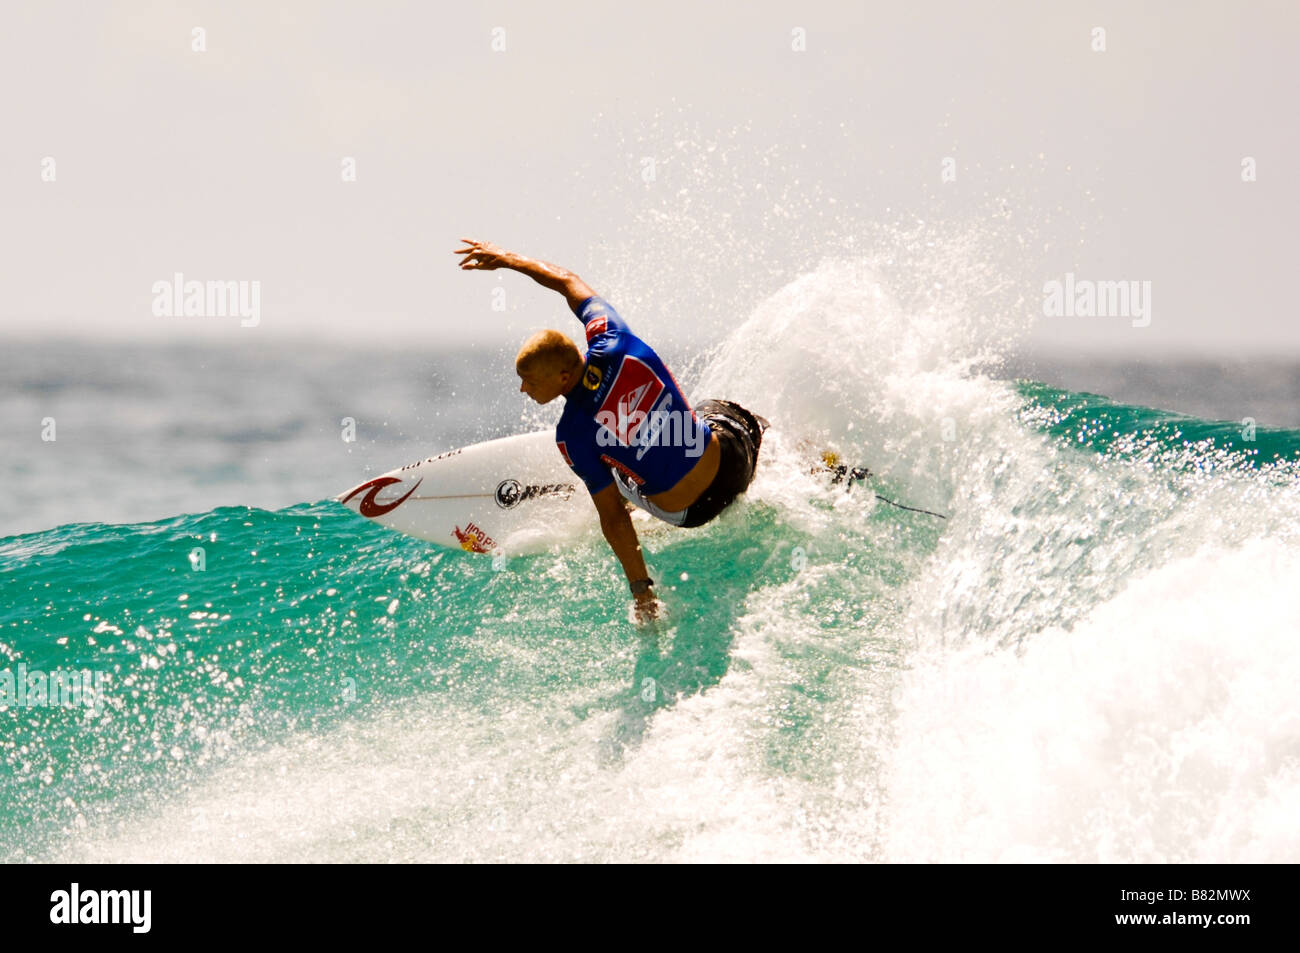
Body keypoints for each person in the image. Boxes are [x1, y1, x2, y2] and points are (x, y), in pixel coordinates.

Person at [454, 239, 766, 622]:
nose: (524, 389)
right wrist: (508, 260)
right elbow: (568, 281)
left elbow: (613, 518)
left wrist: (642, 593)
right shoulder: (615, 336)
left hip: (693, 512)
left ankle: (645, 505)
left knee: (608, 471)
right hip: (733, 464)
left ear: (564, 377)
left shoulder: (573, 434)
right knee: (715, 413)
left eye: (530, 381)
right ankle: (803, 462)